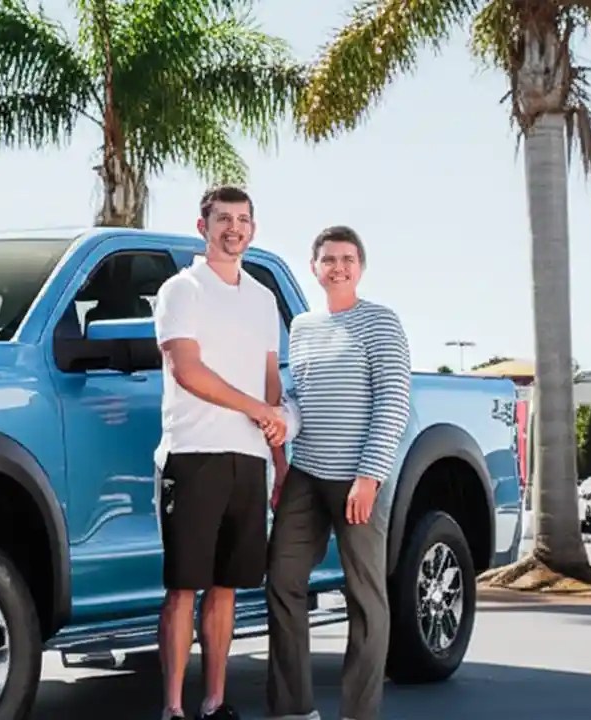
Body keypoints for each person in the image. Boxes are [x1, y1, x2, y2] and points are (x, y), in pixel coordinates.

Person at [264, 225, 412, 720]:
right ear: (314, 268)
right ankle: (293, 709)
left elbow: (393, 402)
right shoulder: (303, 327)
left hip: (359, 479)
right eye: (328, 259)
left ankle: (359, 713)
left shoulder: (381, 323)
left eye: (347, 259)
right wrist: (282, 432)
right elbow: (300, 397)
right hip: (306, 473)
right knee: (283, 580)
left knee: (365, 596)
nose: (338, 267)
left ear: (361, 267)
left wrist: (369, 477)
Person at [153, 185, 288, 720]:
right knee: (184, 586)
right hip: (193, 454)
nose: (234, 228)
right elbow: (186, 370)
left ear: (253, 229)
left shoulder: (262, 298)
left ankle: (213, 703)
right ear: (202, 225)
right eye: (223, 219)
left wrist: (278, 460)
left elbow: (270, 379)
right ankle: (173, 708)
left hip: (249, 459)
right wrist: (258, 407)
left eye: (243, 220)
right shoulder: (182, 290)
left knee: (227, 587)